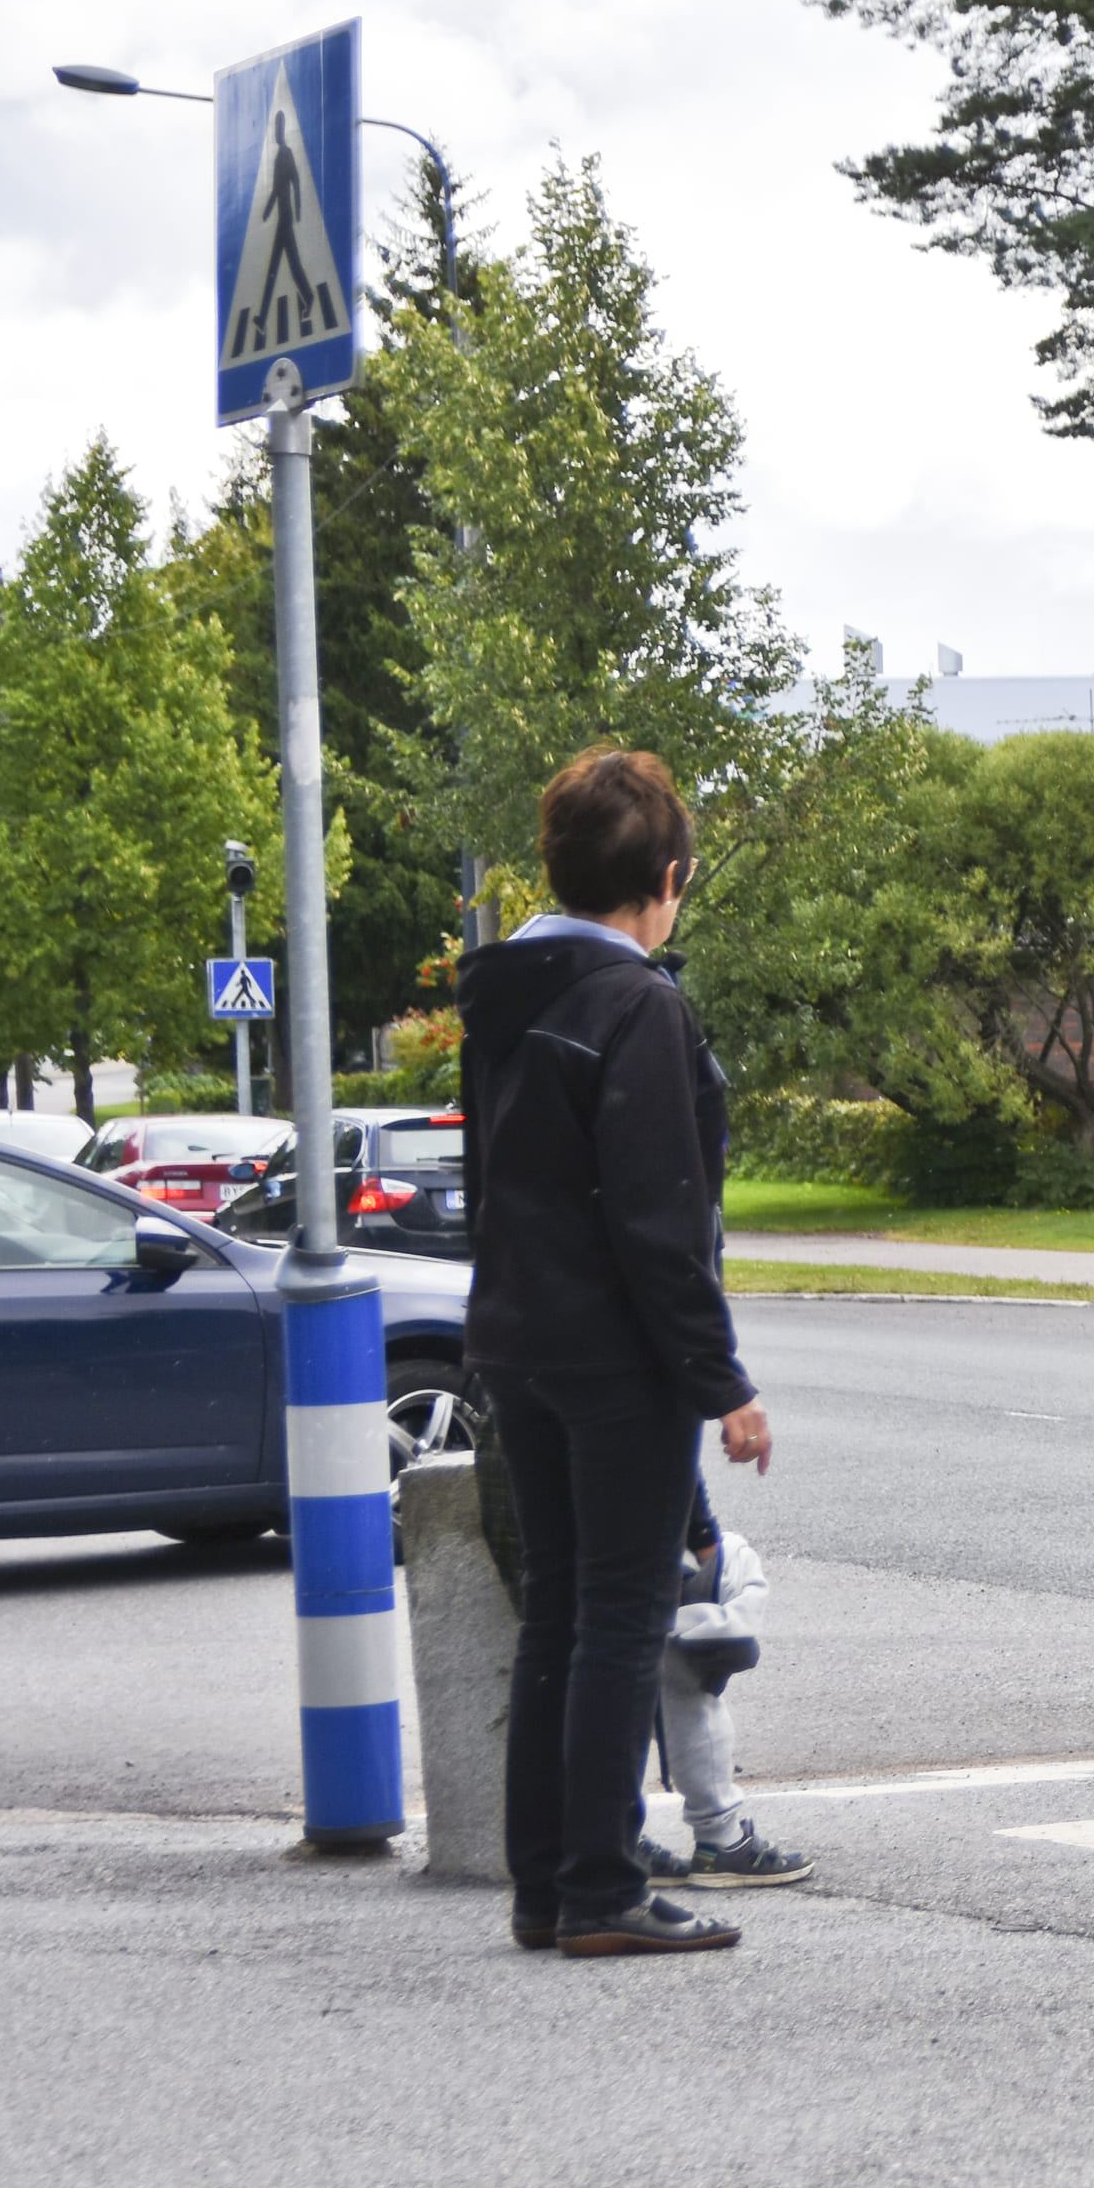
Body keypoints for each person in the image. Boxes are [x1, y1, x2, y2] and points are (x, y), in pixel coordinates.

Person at [460, 746, 769, 1958]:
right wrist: (723, 1382)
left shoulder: (503, 993)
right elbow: (658, 1220)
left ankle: (543, 1881)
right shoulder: (638, 1003)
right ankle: (601, 1887)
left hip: (516, 1341)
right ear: (669, 878)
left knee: (558, 1616)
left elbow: (497, 1183)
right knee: (623, 1616)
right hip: (613, 1356)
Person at [627, 1475, 814, 1892]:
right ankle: (720, 1841)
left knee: (579, 1674)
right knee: (681, 1680)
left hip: (536, 1509)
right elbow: (664, 1436)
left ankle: (609, 1839)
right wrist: (704, 1537)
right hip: (630, 1531)